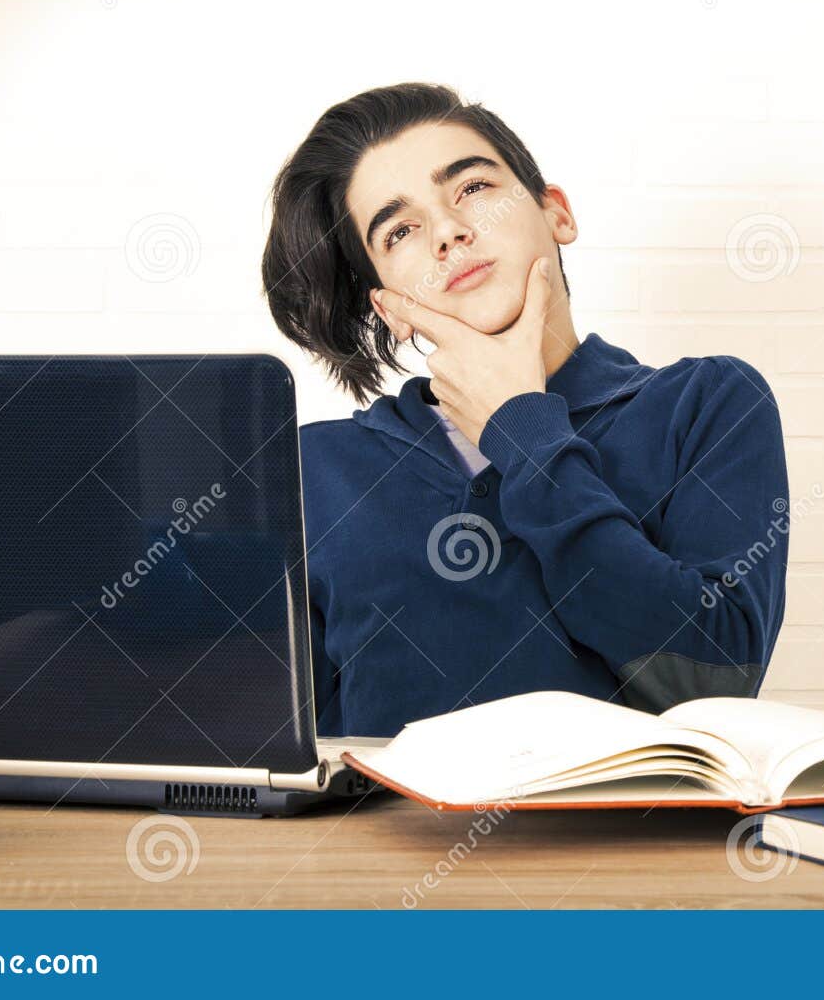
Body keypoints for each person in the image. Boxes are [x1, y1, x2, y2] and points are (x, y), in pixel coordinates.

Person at [262, 82, 790, 737]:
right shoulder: (314, 470)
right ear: (387, 305)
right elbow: (290, 755)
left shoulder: (709, 404)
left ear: (556, 213)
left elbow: (714, 685)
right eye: (400, 229)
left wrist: (522, 424)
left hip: (636, 840)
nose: (449, 233)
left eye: (473, 189)